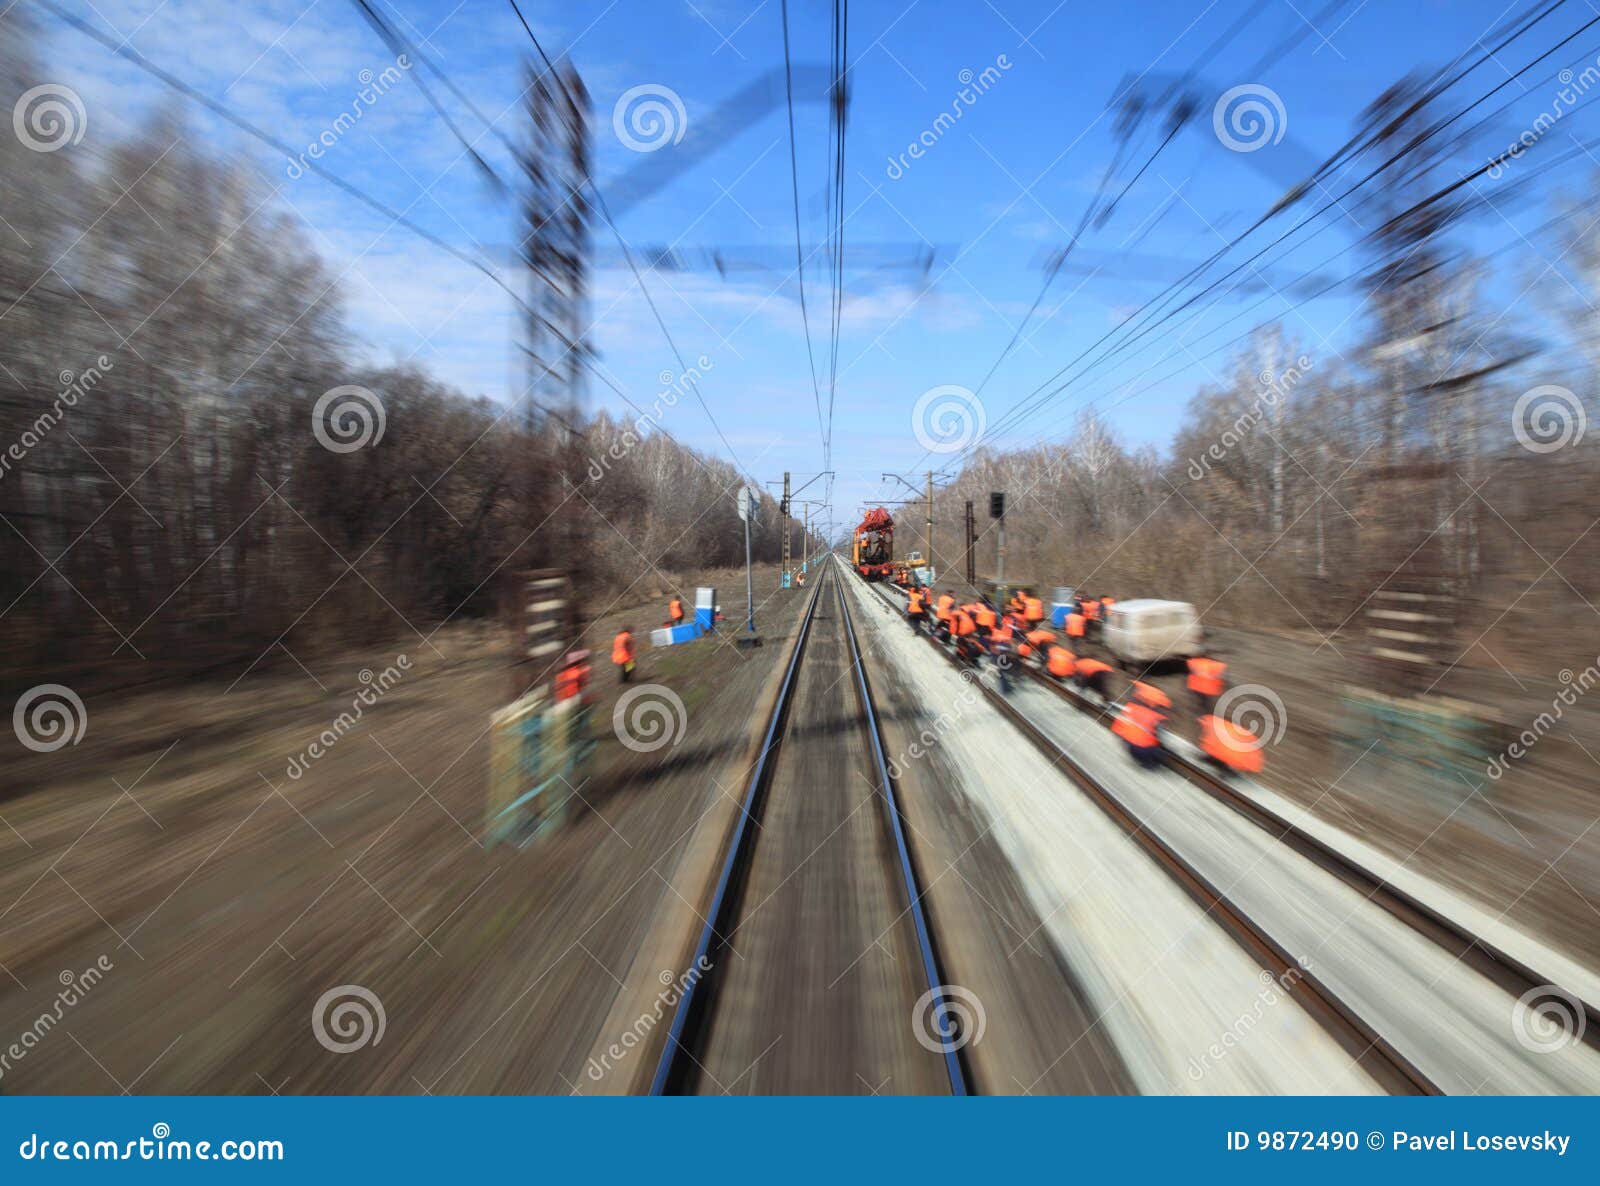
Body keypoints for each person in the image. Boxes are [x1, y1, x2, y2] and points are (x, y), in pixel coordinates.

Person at [1112, 700, 1164, 768]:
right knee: (1156, 747)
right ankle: (1150, 763)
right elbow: (1157, 737)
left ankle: (1143, 760)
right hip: (1144, 750)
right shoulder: (1153, 717)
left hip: (1132, 749)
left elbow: (1119, 735)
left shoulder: (1131, 710)